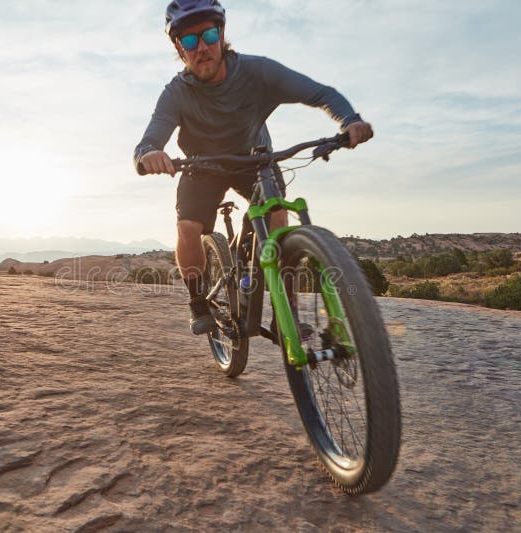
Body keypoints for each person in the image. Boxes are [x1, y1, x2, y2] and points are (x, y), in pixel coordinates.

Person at [134, 0, 373, 335]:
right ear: (178, 47)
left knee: (277, 218)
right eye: (189, 40)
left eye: (209, 35)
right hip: (202, 166)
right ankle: (197, 301)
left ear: (222, 34)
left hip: (255, 160)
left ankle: (282, 314)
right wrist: (149, 154)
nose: (201, 47)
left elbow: (320, 93)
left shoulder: (257, 71)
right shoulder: (176, 93)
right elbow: (150, 140)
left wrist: (349, 120)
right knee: (188, 227)